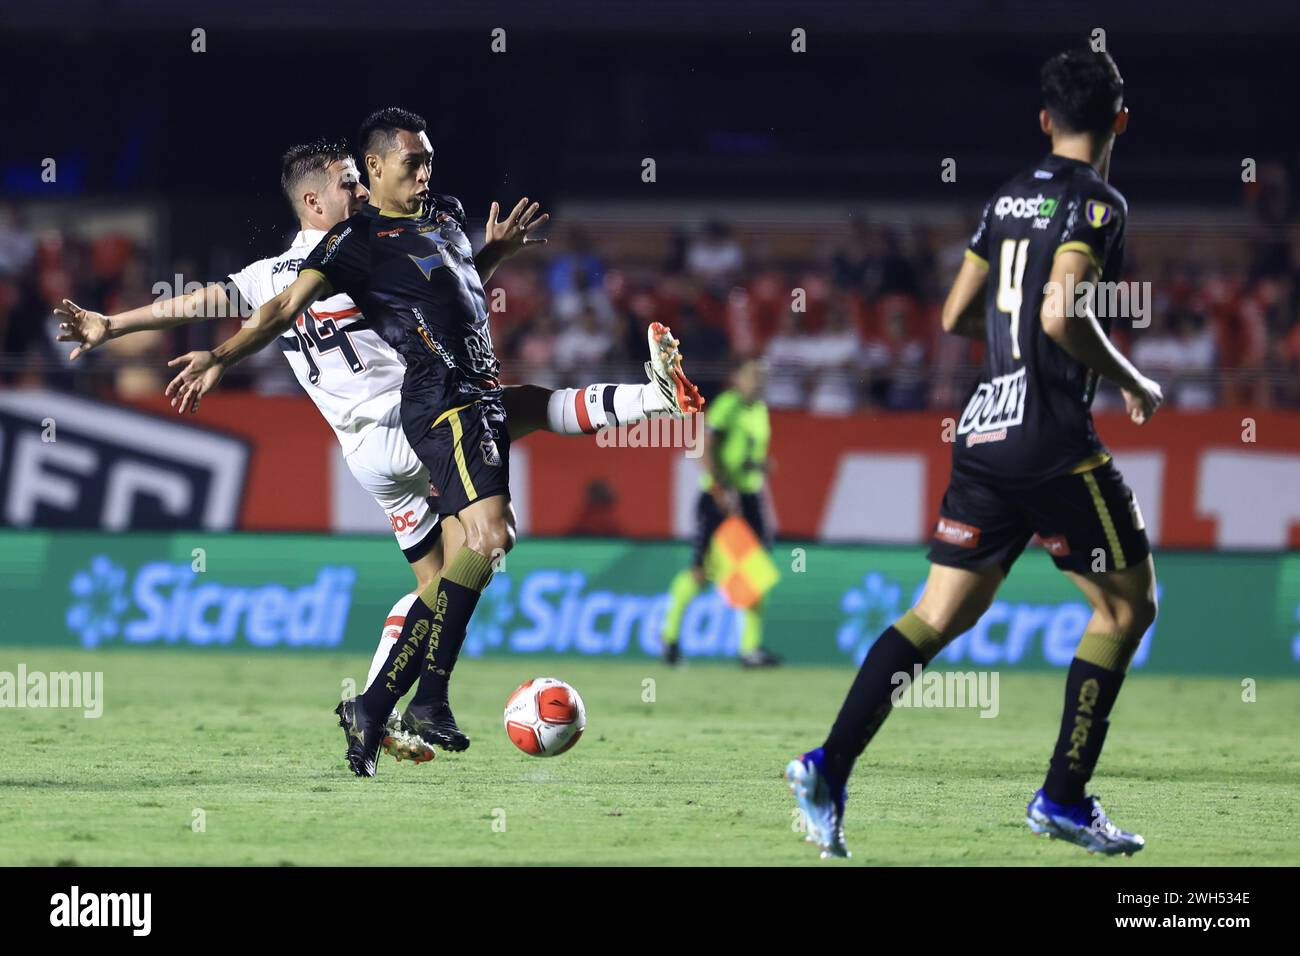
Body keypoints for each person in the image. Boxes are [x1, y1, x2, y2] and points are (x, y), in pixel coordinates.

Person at [58, 129, 701, 773]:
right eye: (348, 183)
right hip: (411, 422)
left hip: (368, 457)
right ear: (314, 202)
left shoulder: (262, 275)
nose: (361, 191)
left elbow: (203, 301)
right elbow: (436, 297)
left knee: (436, 587)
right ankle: (653, 399)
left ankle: (373, 709)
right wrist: (488, 259)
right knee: (508, 452)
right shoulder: (357, 249)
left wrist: (114, 324)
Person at [786, 49, 1163, 858]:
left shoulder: (1005, 199)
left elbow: (958, 312)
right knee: (1126, 609)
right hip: (1053, 439)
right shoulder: (1099, 205)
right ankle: (1061, 798)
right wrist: (1132, 379)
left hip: (984, 432)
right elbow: (1063, 314)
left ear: (1043, 120)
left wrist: (1012, 336)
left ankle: (828, 764)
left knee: (934, 616)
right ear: (1119, 121)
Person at [660, 355, 779, 668]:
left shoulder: (760, 411)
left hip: (749, 499)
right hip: (719, 499)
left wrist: (758, 465)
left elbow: (743, 453)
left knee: (756, 573)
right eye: (753, 374)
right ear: (737, 377)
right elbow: (703, 446)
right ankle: (669, 637)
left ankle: (750, 649)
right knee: (700, 572)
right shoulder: (727, 406)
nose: (759, 381)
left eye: (762, 375)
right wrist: (718, 487)